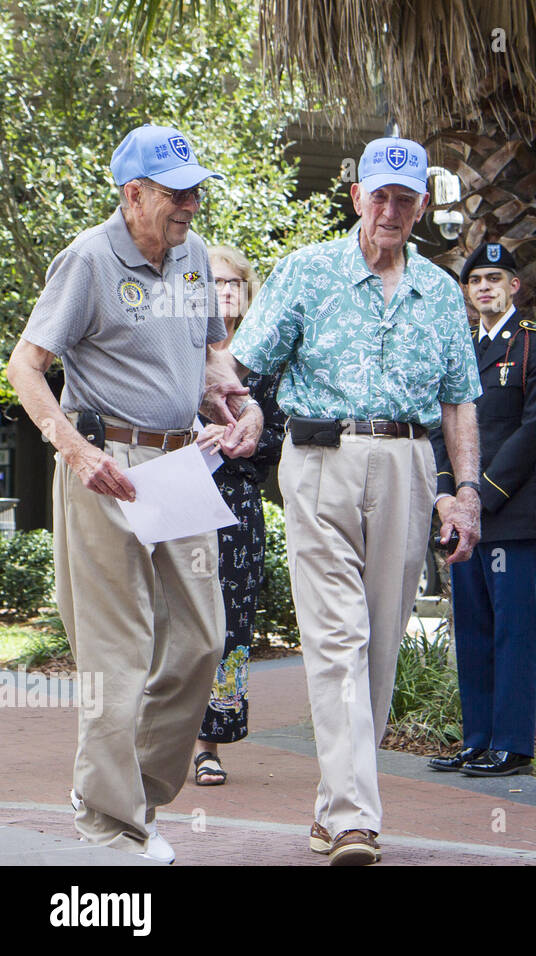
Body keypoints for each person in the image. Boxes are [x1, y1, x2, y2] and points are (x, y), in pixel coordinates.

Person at [226, 137, 482, 866]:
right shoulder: (305, 271)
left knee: (378, 642)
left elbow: (460, 401)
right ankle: (352, 819)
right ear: (356, 197)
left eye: (406, 199)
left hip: (408, 461)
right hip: (319, 460)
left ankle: (332, 806)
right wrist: (242, 413)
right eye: (381, 196)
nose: (392, 210)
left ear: (423, 208)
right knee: (337, 636)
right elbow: (242, 364)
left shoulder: (438, 290)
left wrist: (463, 492)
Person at [5, 124, 258, 862]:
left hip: (180, 466)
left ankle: (126, 794)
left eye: (195, 189)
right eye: (177, 191)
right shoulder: (87, 259)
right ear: (133, 194)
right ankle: (111, 828)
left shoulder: (190, 258)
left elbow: (213, 352)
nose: (191, 202)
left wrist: (237, 401)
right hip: (106, 466)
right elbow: (26, 366)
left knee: (202, 644)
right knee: (116, 658)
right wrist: (72, 448)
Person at [427, 242, 536, 777]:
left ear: (514, 287)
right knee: (473, 626)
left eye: (494, 278)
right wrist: (449, 498)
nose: (484, 287)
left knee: (513, 628)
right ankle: (477, 738)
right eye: (475, 279)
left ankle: (512, 743)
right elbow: (438, 423)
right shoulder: (455, 343)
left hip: (509, 509)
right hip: (461, 512)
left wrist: (479, 494)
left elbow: (534, 428)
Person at [191, 245, 288, 786]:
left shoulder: (262, 364)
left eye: (235, 284)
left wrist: (234, 440)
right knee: (172, 621)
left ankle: (211, 745)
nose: (226, 291)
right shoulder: (178, 352)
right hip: (178, 499)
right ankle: (161, 736)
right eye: (215, 282)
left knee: (231, 624)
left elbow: (276, 439)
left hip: (238, 504)